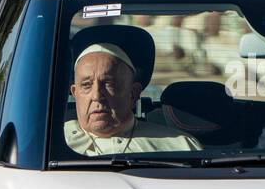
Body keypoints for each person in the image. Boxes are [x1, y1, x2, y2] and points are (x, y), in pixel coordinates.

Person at [64, 43, 202, 156]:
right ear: (75, 93)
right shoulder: (49, 145)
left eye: (109, 84)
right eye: (86, 85)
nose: (97, 96)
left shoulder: (181, 147)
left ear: (133, 93)